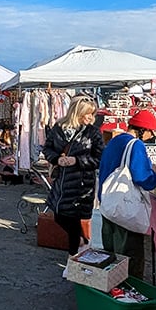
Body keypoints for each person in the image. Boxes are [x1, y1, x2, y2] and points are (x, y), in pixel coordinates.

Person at [43, 96, 104, 274]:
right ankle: (82, 243)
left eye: (93, 114)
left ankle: (72, 259)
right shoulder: (59, 128)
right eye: (88, 114)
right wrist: (57, 159)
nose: (91, 118)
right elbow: (47, 148)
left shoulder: (93, 133)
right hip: (61, 182)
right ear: (77, 113)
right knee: (59, 216)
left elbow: (99, 158)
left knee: (74, 218)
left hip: (82, 183)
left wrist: (77, 160)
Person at [98, 110, 156, 279]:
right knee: (130, 259)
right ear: (142, 130)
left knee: (111, 258)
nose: (151, 136)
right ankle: (130, 296)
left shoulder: (114, 141)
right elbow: (143, 177)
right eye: (151, 131)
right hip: (125, 209)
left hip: (108, 206)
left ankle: (111, 295)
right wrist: (154, 175)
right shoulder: (136, 145)